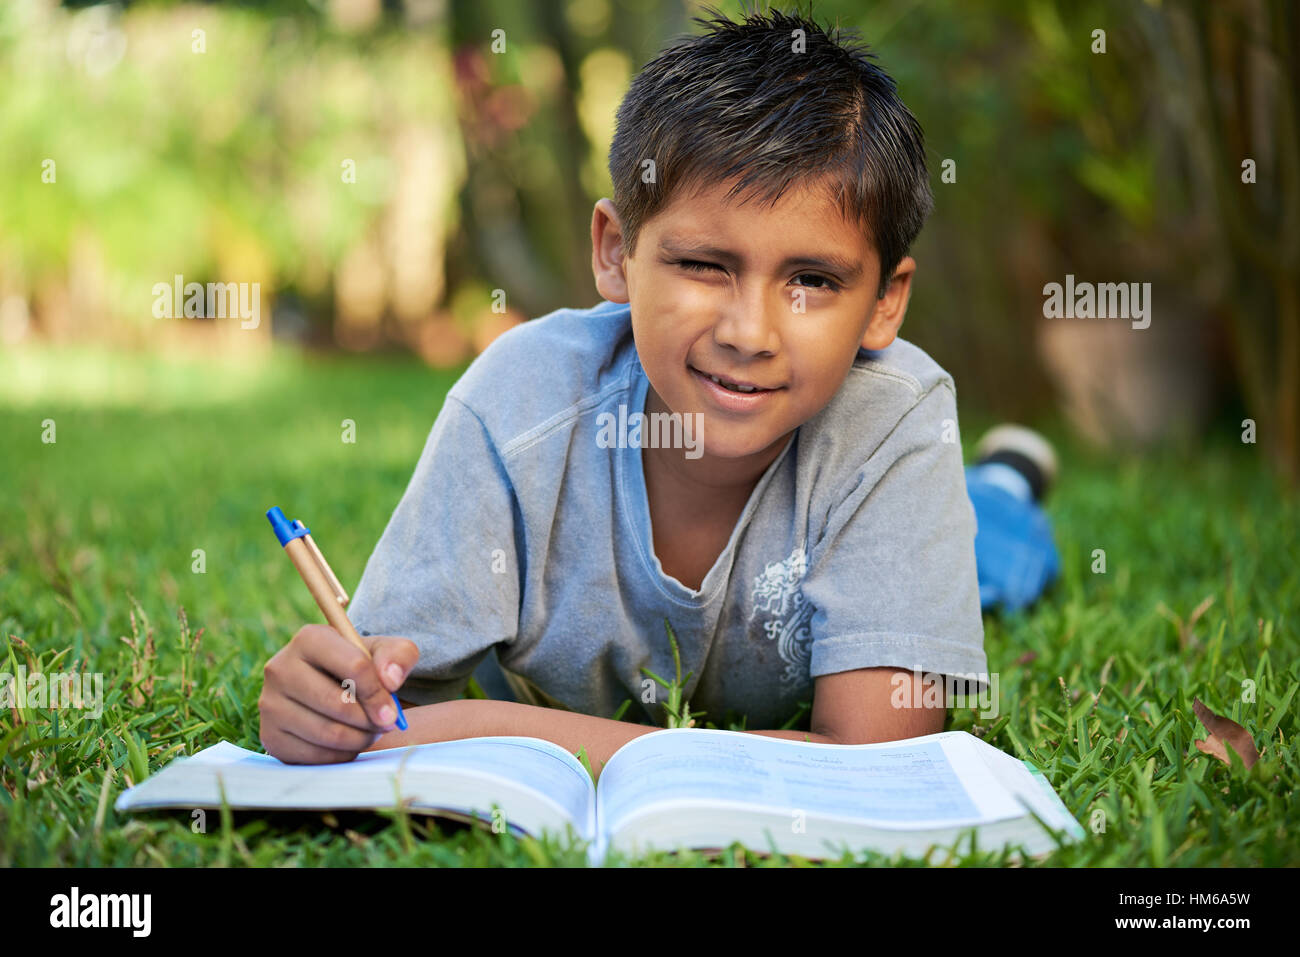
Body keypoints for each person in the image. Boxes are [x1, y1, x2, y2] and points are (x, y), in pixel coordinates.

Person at [259, 9, 993, 773]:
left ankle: (1002, 487)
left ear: (884, 303)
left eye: (812, 280)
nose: (750, 331)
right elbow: (386, 705)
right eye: (706, 265)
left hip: (901, 514)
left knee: (999, 556)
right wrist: (327, 707)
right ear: (616, 254)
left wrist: (482, 726)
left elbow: (875, 760)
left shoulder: (896, 420)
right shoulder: (516, 406)